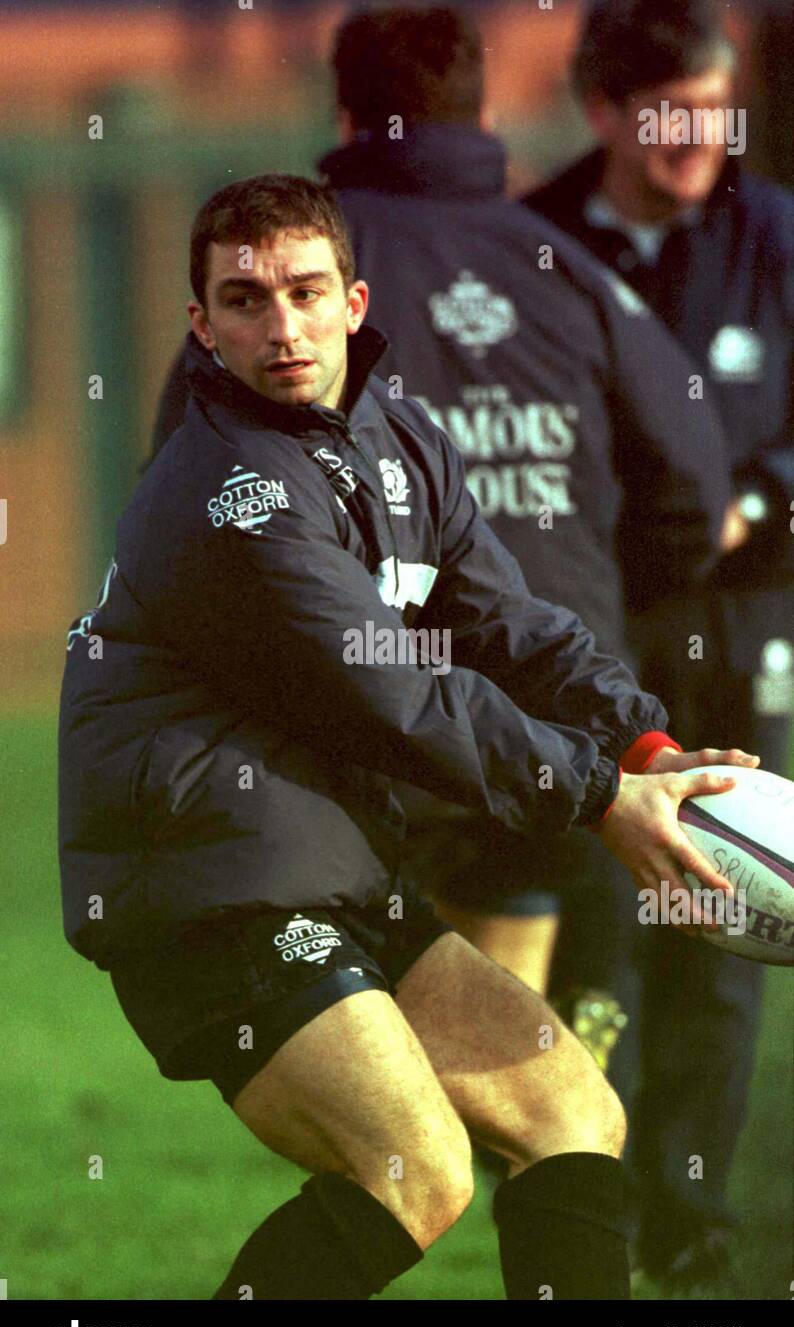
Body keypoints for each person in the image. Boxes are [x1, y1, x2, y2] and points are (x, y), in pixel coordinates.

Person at [58, 174, 754, 1301]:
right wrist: (591, 798)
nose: (278, 326)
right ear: (200, 323)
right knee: (413, 1173)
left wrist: (643, 751)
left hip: (332, 865)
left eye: (303, 290)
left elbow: (502, 623)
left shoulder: (400, 433)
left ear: (353, 299)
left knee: (572, 1114)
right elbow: (399, 692)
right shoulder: (231, 495)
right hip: (201, 883)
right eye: (243, 300)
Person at [150, 5, 735, 1050]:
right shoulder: (571, 272)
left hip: (360, 759)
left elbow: (183, 492)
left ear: (341, 110)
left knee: (437, 1081)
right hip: (542, 734)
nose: (286, 322)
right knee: (524, 1064)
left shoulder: (270, 280)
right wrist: (615, 599)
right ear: (486, 107)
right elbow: (690, 485)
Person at [524, 0, 794, 1286]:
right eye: (671, 111)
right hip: (596, 639)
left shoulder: (773, 237)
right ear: (602, 109)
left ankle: (690, 1231)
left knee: (724, 920)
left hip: (739, 630)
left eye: (715, 105)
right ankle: (601, 1219)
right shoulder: (529, 244)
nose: (701, 137)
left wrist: (760, 493)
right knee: (602, 929)